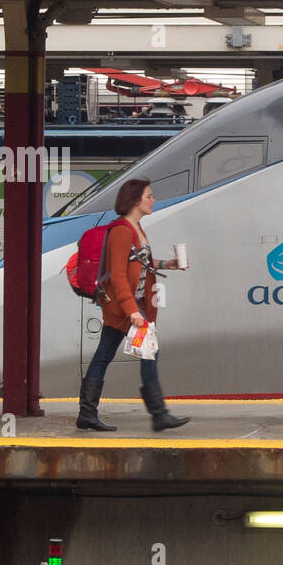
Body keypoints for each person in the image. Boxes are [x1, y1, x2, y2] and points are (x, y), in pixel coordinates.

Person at [76, 176, 190, 432]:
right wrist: (131, 311)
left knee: (104, 354)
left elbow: (139, 262)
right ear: (135, 201)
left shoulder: (137, 228)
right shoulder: (120, 231)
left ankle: (87, 414)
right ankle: (158, 414)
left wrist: (166, 264)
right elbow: (117, 274)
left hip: (132, 304)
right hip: (123, 306)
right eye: (149, 196)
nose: (153, 200)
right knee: (149, 351)